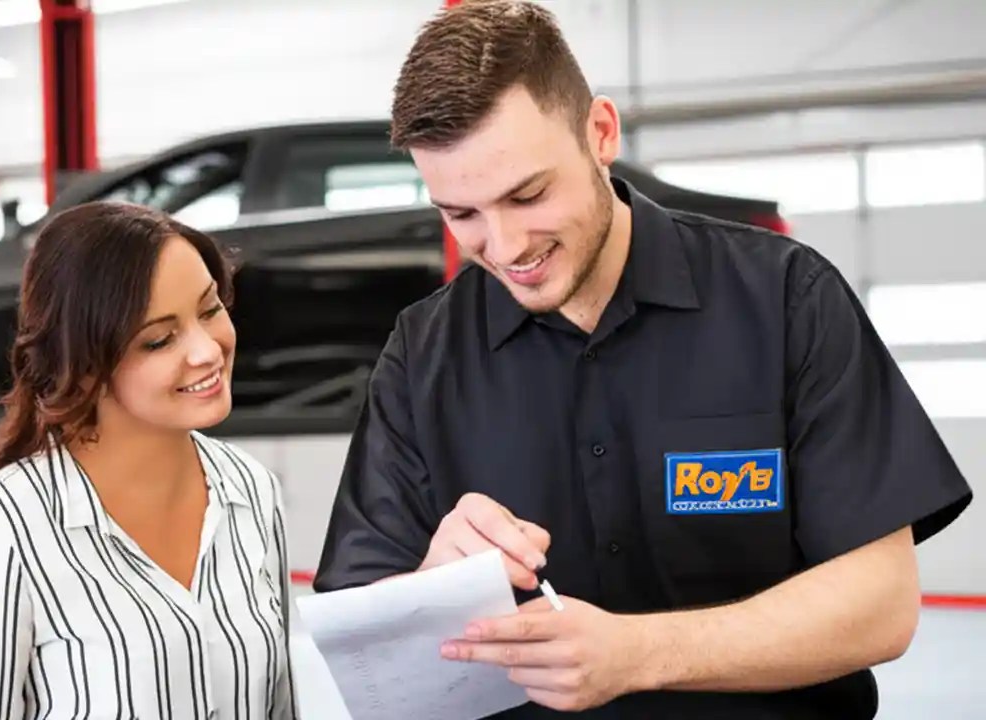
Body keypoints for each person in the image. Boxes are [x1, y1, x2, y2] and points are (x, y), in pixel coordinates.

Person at [313, 2, 973, 718]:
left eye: (528, 194)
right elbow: (365, 649)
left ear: (600, 133)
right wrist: (434, 586)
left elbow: (880, 605)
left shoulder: (786, 299)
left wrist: (638, 655)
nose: (503, 249)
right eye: (461, 214)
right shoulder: (422, 356)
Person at [0, 202, 298, 719]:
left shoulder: (251, 490)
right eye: (160, 339)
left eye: (210, 309)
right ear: (83, 364)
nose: (207, 350)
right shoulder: (3, 530)